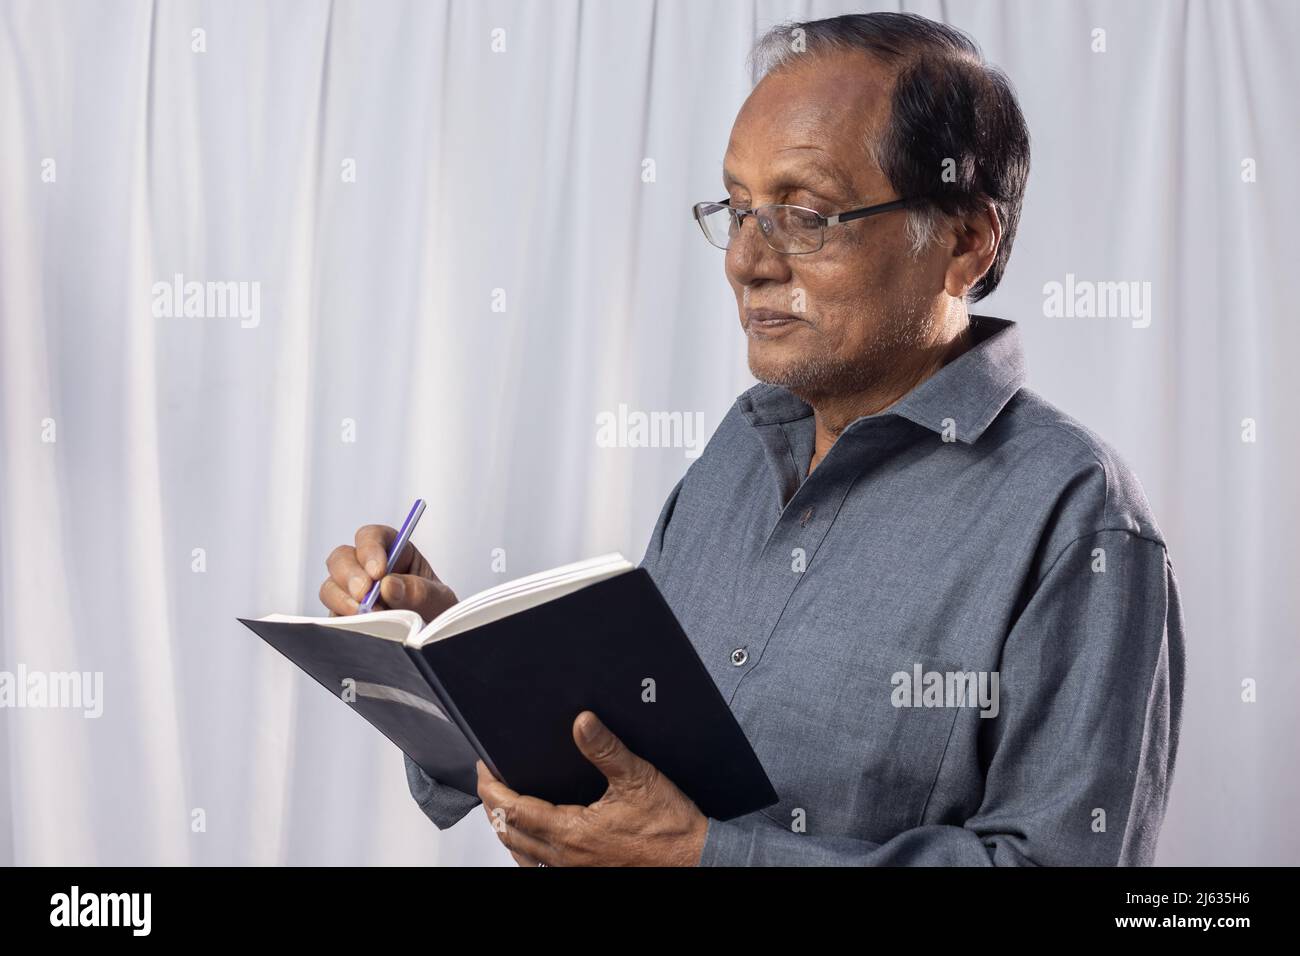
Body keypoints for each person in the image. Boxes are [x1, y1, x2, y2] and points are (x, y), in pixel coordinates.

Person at [320, 12, 1184, 866]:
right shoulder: (739, 449)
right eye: (736, 209)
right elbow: (628, 766)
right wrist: (460, 655)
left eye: (805, 215)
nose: (745, 260)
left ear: (963, 242)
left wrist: (705, 861)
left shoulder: (1078, 518)